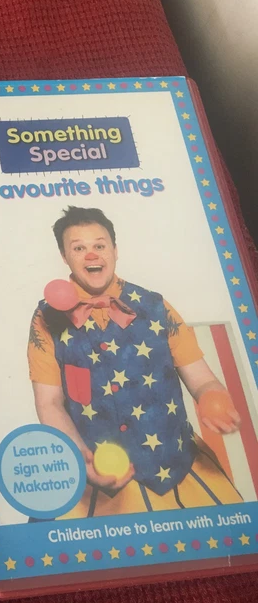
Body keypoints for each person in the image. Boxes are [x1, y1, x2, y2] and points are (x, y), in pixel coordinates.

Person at [28, 206, 243, 518]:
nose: (91, 255)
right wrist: (81, 458)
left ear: (115, 251)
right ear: (64, 256)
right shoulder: (45, 318)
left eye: (99, 245)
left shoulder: (155, 305)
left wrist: (212, 395)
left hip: (175, 467)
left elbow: (202, 378)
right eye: (79, 248)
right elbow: (49, 403)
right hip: (97, 476)